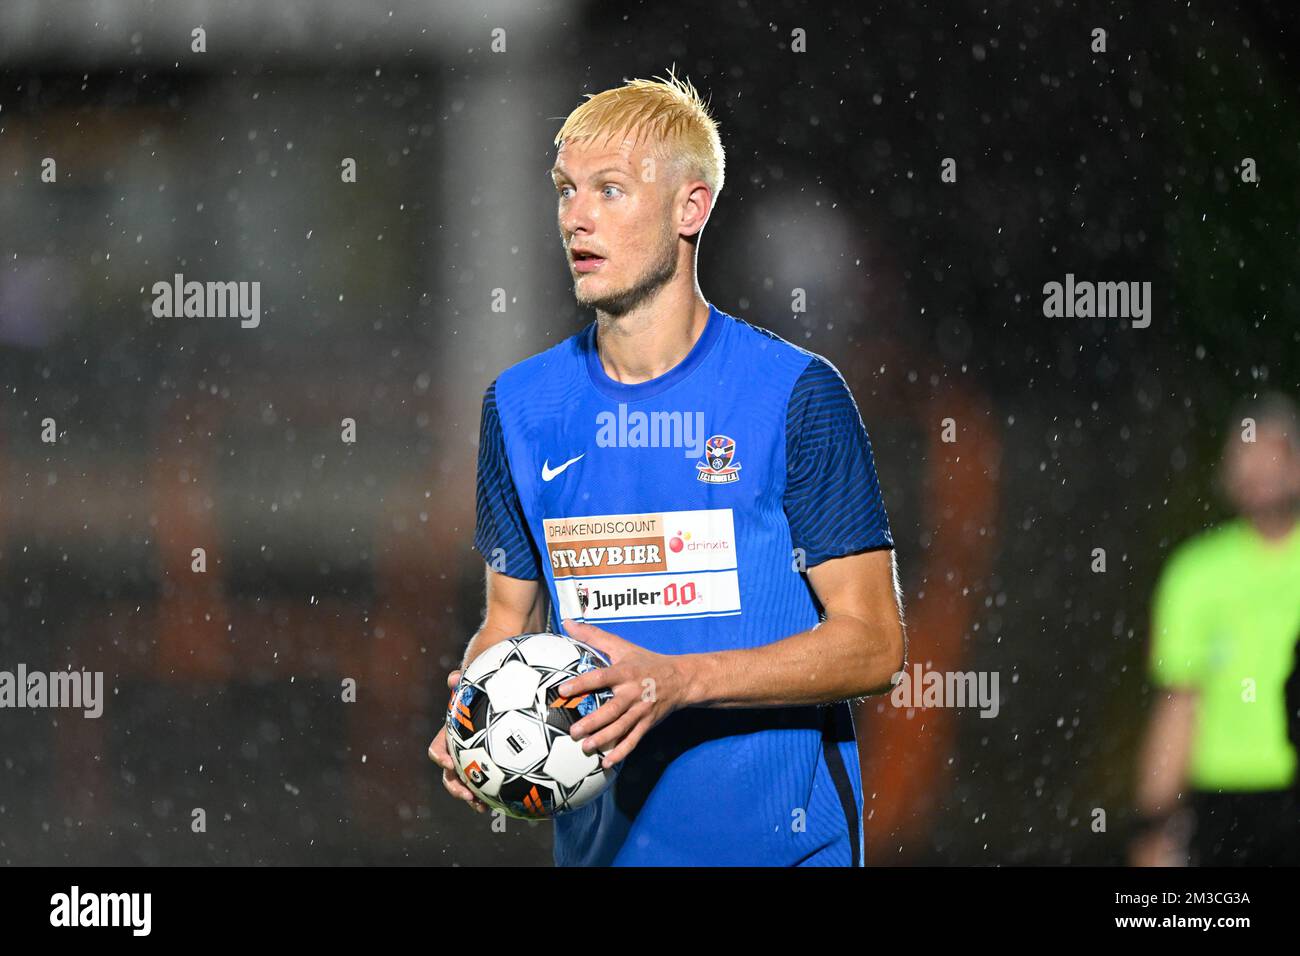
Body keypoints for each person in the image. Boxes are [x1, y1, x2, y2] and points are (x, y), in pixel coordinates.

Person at [427, 68, 906, 866]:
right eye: (566, 190)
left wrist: (679, 681)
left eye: (609, 190)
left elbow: (875, 646)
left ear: (692, 208)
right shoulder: (520, 406)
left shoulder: (793, 395)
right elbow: (508, 623)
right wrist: (478, 721)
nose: (576, 217)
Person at [1131, 394, 1300, 866]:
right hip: (1223, 804)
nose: (1260, 471)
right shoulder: (1196, 575)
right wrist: (1153, 825)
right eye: (1247, 457)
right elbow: (1178, 704)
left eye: (1274, 454)